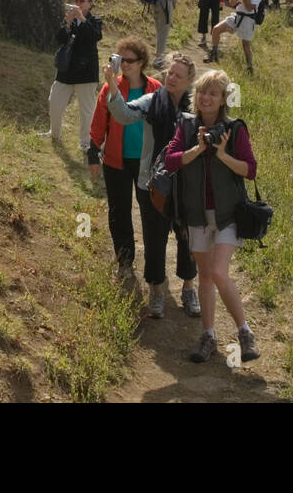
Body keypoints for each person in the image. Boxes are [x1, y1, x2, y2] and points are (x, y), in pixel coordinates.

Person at [163, 69, 260, 363]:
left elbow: (250, 169)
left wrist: (220, 154)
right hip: (195, 215)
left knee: (218, 272)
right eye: (203, 92)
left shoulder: (235, 129)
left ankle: (245, 332)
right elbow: (170, 160)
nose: (206, 98)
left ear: (222, 100)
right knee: (204, 276)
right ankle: (208, 336)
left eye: (213, 93)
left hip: (228, 215)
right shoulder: (186, 125)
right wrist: (198, 148)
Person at [102, 52, 200, 318]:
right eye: (170, 72)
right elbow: (124, 114)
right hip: (154, 183)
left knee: (187, 238)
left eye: (178, 75)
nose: (172, 78)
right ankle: (156, 289)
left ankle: (189, 288)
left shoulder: (198, 107)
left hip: (188, 186)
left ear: (190, 80)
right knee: (154, 239)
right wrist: (112, 86)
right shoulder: (153, 101)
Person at [89, 37, 162, 284]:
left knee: (150, 214)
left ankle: (155, 270)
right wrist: (93, 152)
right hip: (115, 161)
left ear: (141, 62)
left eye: (129, 61)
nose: (124, 65)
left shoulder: (155, 88)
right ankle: (125, 262)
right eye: (120, 60)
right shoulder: (111, 87)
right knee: (119, 212)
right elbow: (100, 119)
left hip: (147, 163)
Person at [43, 0, 103, 154]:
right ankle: (54, 134)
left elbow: (95, 36)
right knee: (54, 102)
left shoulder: (95, 20)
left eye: (82, 1)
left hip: (86, 73)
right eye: (76, 0)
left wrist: (82, 19)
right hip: (66, 71)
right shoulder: (69, 19)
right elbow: (60, 39)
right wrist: (68, 22)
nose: (78, 4)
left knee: (86, 110)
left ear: (90, 4)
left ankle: (85, 143)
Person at [205, 0, 261, 74]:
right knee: (216, 29)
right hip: (237, 16)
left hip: (248, 19)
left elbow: (249, 8)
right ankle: (214, 53)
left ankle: (249, 67)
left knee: (245, 45)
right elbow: (231, 3)